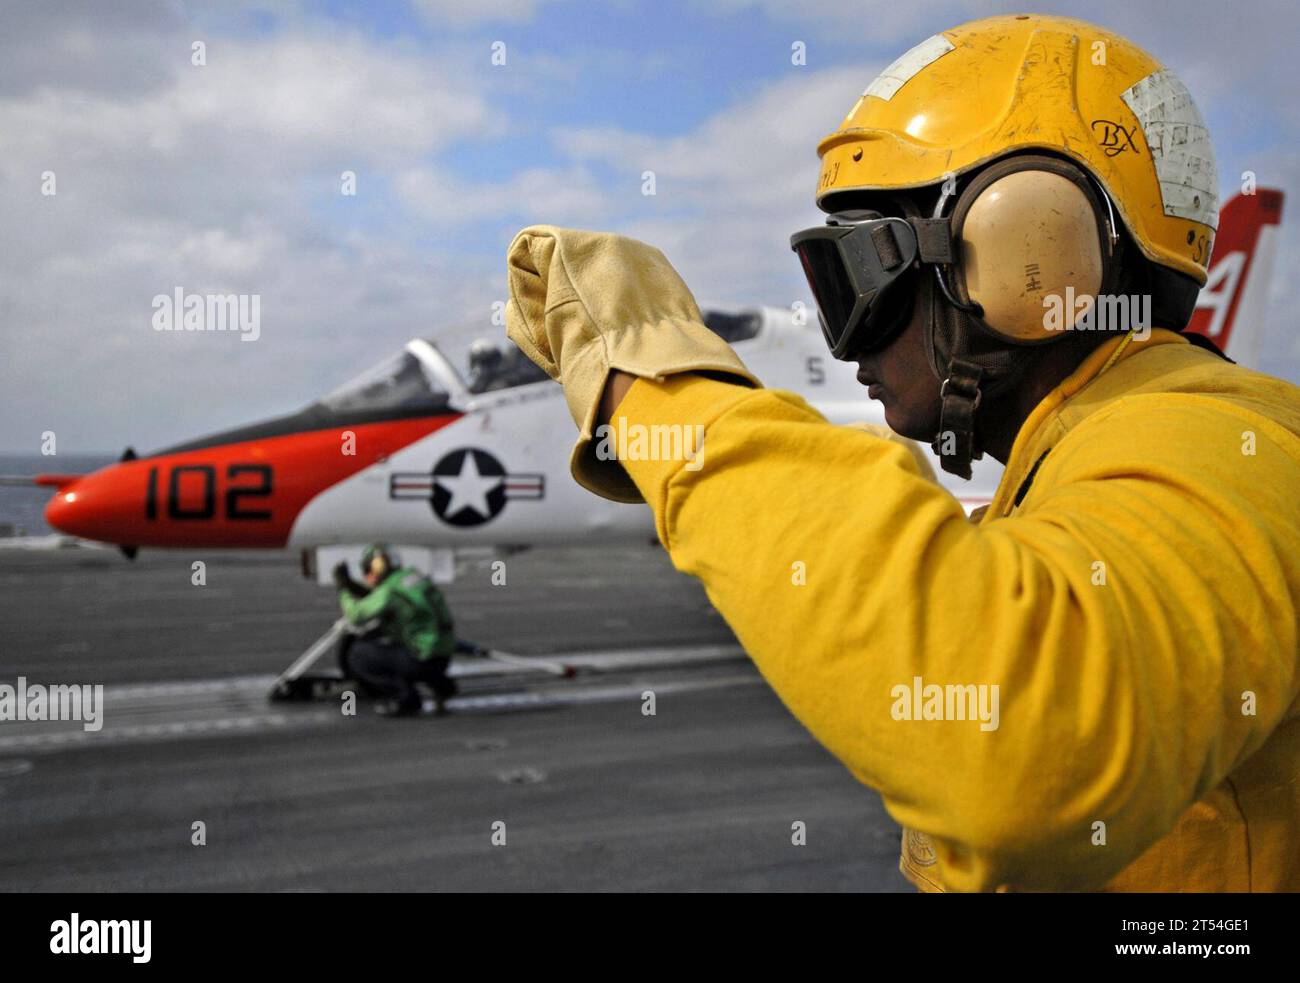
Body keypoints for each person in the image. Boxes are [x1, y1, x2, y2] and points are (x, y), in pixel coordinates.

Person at [501, 14, 1300, 891]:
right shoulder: (1082, 462)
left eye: (862, 277)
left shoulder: (1229, 440)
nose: (852, 348)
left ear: (1025, 247)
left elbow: (1017, 750)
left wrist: (654, 376)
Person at [333, 545, 459, 717]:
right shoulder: (413, 576)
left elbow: (355, 615)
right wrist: (352, 585)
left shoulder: (389, 592)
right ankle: (441, 684)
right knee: (396, 637)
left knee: (358, 655)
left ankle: (405, 698)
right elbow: (379, 595)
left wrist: (343, 590)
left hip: (421, 660)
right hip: (442, 658)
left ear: (377, 567)